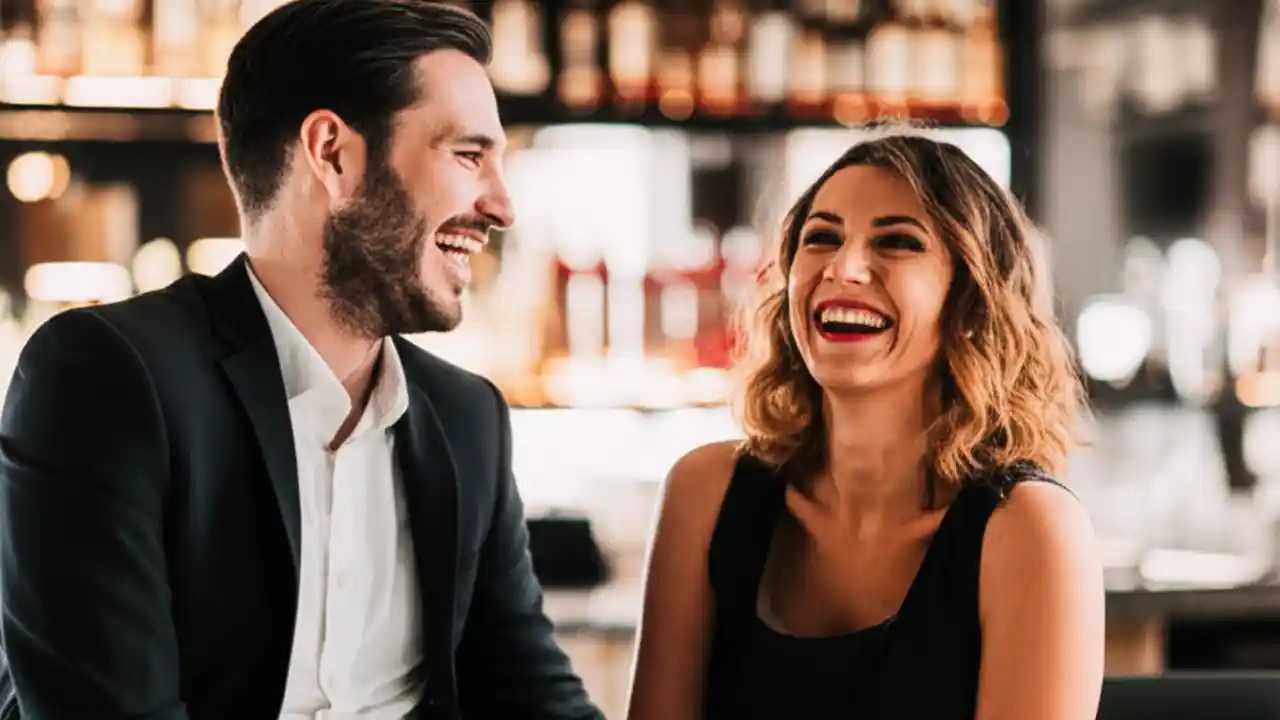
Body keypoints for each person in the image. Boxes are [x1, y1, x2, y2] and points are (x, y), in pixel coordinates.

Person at [0, 2, 601, 718]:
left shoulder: (466, 416)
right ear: (333, 153)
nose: (502, 206)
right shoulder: (109, 378)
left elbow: (533, 696)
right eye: (469, 156)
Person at [627, 133, 1105, 719]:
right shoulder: (705, 493)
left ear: (973, 300)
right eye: (821, 238)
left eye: (898, 243)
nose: (844, 268)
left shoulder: (1028, 529)